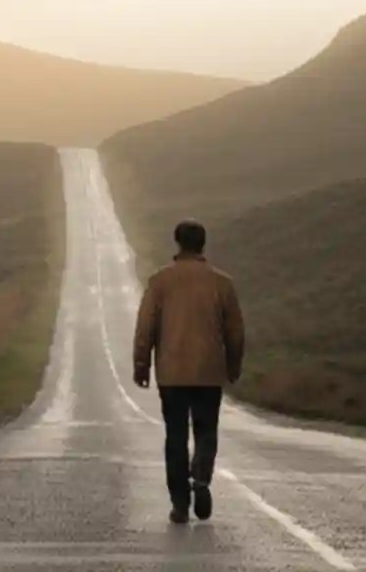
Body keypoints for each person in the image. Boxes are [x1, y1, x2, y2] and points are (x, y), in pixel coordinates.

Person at [133, 220, 245, 524]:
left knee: (176, 436)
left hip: (172, 373)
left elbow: (146, 327)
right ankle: (202, 479)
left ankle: (180, 503)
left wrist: (141, 364)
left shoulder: (160, 281)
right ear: (203, 245)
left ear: (177, 243)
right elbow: (235, 332)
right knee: (206, 431)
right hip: (209, 372)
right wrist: (233, 365)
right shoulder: (222, 283)